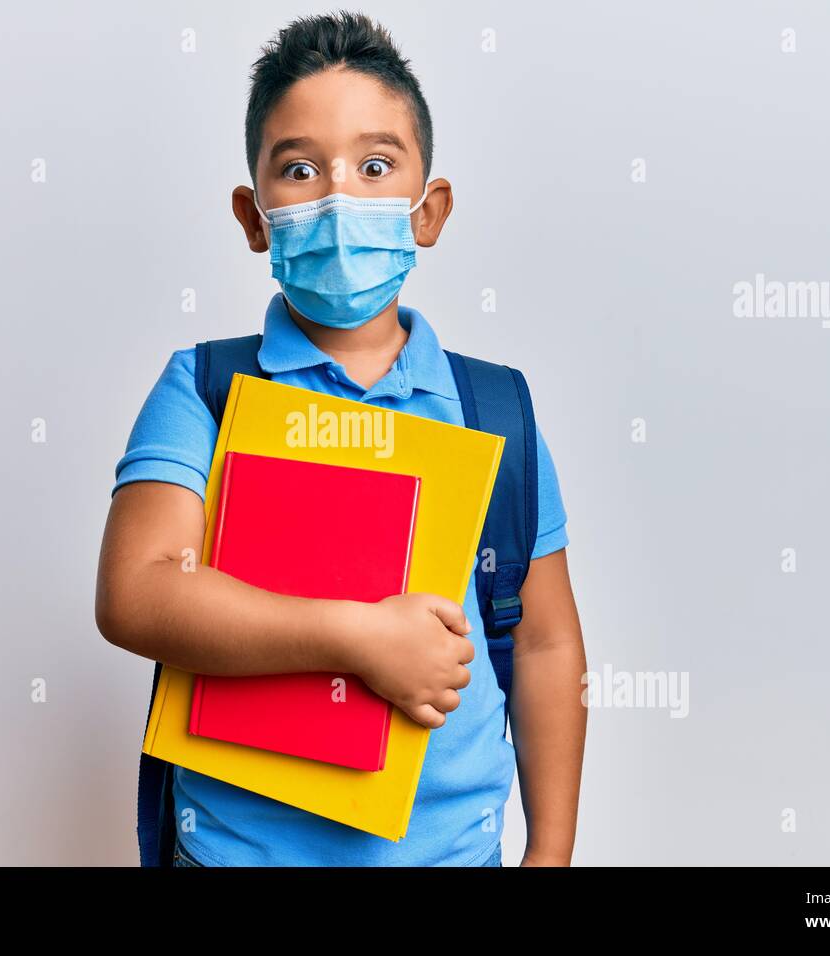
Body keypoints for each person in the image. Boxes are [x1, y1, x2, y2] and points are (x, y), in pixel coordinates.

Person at [95, 10, 587, 867]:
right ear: (254, 219)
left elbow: (545, 645)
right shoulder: (203, 392)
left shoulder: (494, 409)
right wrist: (361, 638)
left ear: (427, 211)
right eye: (298, 168)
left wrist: (551, 854)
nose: (336, 197)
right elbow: (136, 593)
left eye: (373, 165)